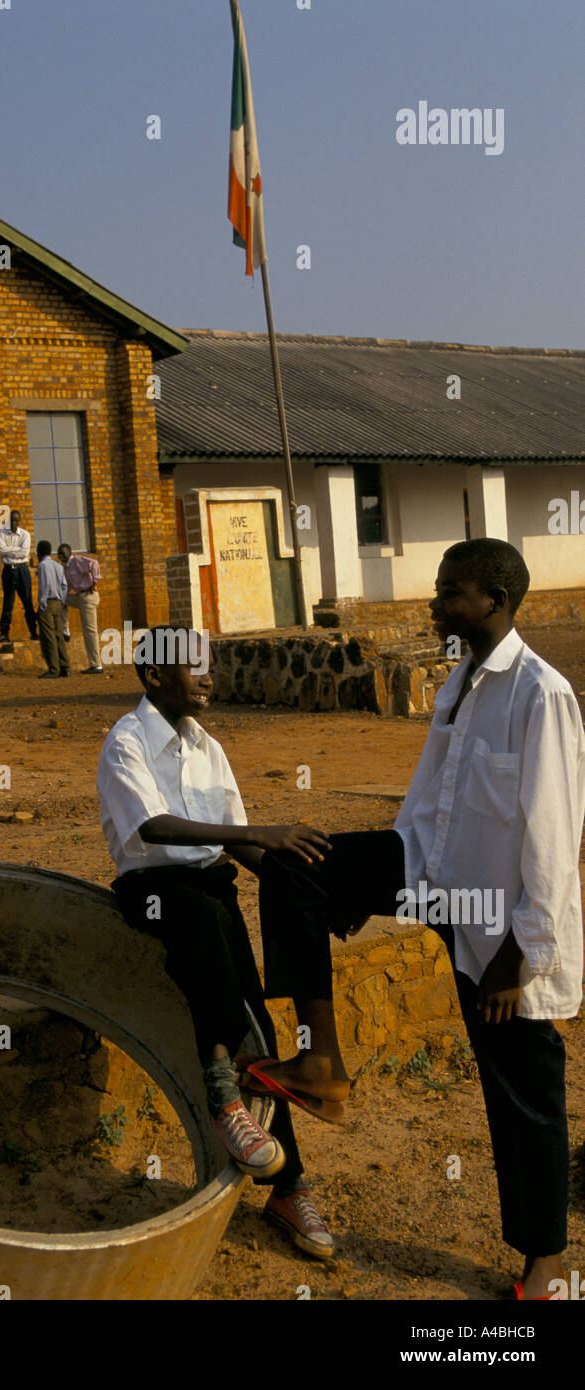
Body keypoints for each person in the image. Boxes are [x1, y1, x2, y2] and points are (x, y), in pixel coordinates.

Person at [241, 538, 584, 1301]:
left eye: (448, 592)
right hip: (430, 869)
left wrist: (517, 956)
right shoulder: (458, 681)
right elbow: (432, 804)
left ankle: (545, 1265)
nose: (434, 603)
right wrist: (367, 880)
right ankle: (321, 1062)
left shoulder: (540, 693)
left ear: (493, 599)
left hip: (496, 920)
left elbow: (554, 839)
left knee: (522, 1087)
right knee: (293, 866)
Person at [96, 628, 340, 1260]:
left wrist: (301, 888)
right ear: (151, 676)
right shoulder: (126, 742)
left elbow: (236, 844)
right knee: (203, 920)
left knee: (257, 1029)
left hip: (211, 892)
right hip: (156, 894)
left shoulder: (209, 747)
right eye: (192, 667)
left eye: (209, 666)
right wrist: (260, 828)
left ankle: (289, 1189)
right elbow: (153, 826)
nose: (208, 677)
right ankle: (221, 1094)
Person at [57, 543, 103, 674]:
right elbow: (68, 587)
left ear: (69, 553)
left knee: (90, 632)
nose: (61, 556)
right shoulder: (65, 568)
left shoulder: (77, 560)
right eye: (59, 554)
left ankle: (97, 665)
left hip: (88, 596)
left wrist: (94, 583)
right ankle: (65, 629)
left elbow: (94, 563)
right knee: (61, 598)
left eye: (63, 553)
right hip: (79, 597)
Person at [0, 508, 38, 642]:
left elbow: (24, 553)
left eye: (16, 521)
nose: (14, 523)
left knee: (27, 602)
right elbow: (0, 550)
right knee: (8, 602)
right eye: (11, 521)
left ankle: (33, 632)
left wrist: (9, 551)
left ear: (19, 521)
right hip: (8, 570)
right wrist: (15, 551)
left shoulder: (25, 534)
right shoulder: (1, 534)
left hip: (22, 570)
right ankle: (4, 633)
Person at [35, 539, 69, 679]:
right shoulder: (58, 566)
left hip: (48, 603)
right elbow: (64, 585)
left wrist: (42, 603)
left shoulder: (43, 565)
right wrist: (61, 599)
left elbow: (46, 585)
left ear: (39, 552)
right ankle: (64, 666)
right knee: (58, 635)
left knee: (48, 636)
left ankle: (53, 669)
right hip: (58, 603)